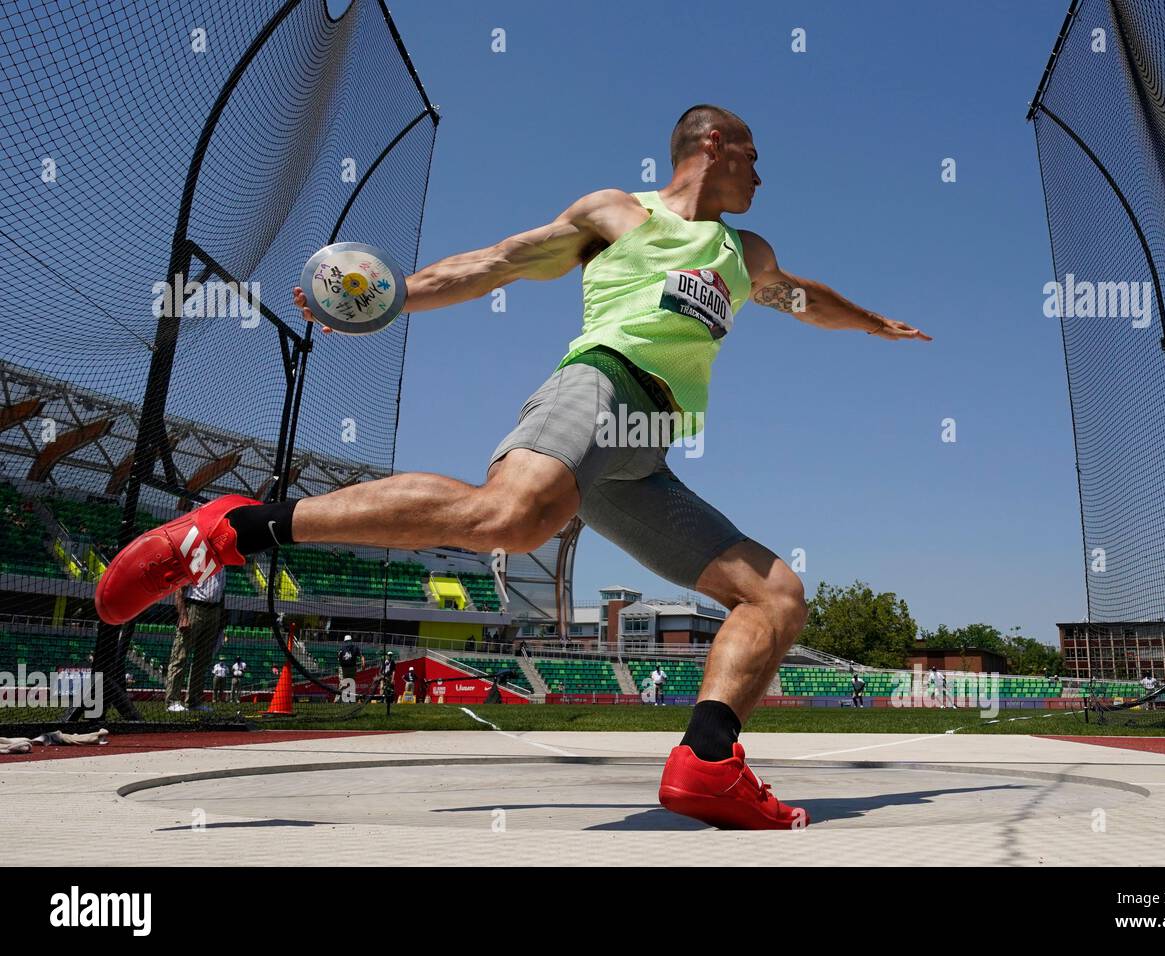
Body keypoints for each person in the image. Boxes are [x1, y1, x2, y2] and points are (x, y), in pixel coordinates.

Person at [93, 105, 930, 830]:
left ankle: (708, 762)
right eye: (755, 155)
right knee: (510, 518)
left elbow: (800, 297)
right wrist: (389, 298)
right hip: (600, 385)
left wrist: (871, 322)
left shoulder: (746, 253)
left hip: (644, 448)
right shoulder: (617, 213)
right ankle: (237, 526)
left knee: (775, 594)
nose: (762, 174)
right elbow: (498, 261)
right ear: (713, 143)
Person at [163, 567, 226, 712]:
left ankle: (194, 700)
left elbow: (222, 595)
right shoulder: (198, 561)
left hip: (214, 611)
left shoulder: (223, 566)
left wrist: (221, 622)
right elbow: (179, 590)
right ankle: (172, 700)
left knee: (202, 660)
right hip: (195, 608)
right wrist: (183, 616)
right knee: (180, 657)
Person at [337, 635, 360, 700]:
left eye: (349, 641)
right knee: (342, 684)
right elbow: (339, 659)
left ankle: (350, 698)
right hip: (343, 668)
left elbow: (360, 655)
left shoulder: (355, 648)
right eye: (347, 641)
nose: (348, 643)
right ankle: (338, 698)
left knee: (351, 683)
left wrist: (362, 660)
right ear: (345, 642)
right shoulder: (341, 650)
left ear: (351, 641)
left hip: (352, 668)